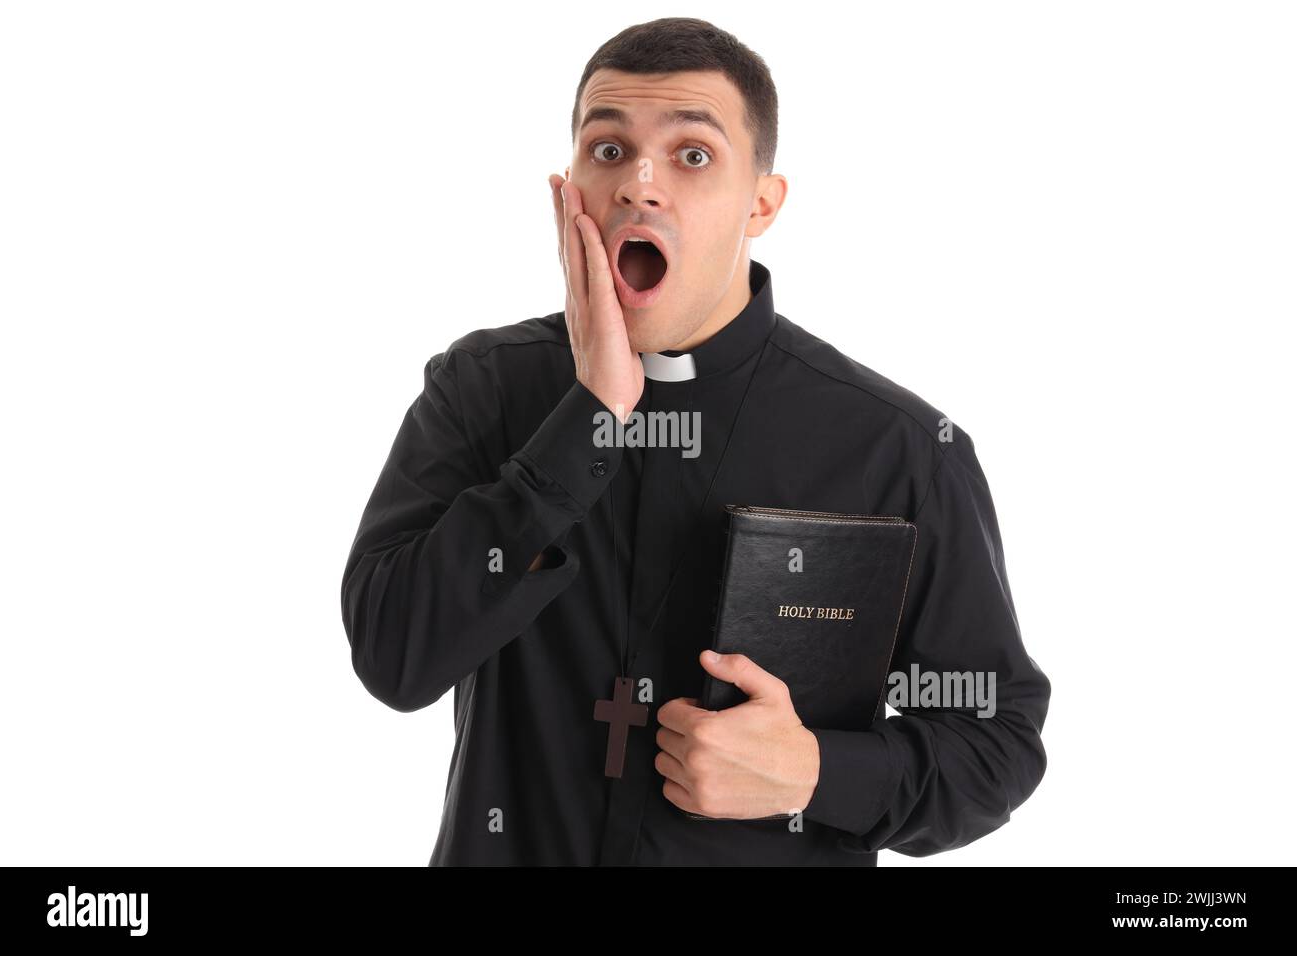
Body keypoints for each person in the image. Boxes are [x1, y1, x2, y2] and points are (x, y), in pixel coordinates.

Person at [340, 16, 1050, 866]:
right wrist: (588, 419)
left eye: (693, 155)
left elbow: (998, 743)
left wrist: (818, 772)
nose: (641, 185)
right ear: (569, 190)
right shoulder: (481, 389)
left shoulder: (898, 448)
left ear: (762, 202)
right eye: (608, 150)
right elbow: (393, 655)